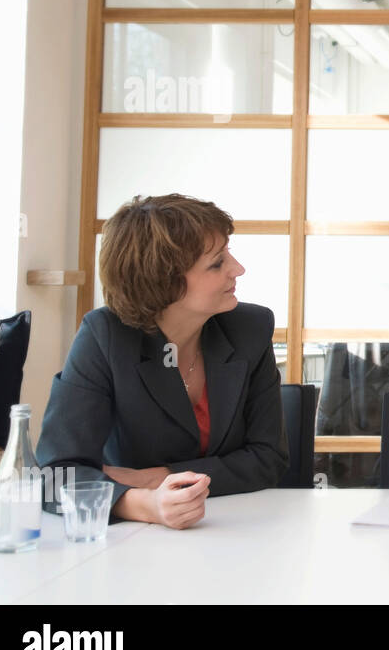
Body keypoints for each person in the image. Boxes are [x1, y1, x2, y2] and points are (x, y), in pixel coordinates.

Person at [36, 194, 287, 529]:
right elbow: (56, 474)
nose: (237, 269)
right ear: (164, 284)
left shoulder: (250, 328)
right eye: (216, 263)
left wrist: (159, 478)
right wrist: (141, 504)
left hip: (241, 526)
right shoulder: (104, 337)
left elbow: (269, 458)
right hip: (130, 544)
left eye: (228, 252)